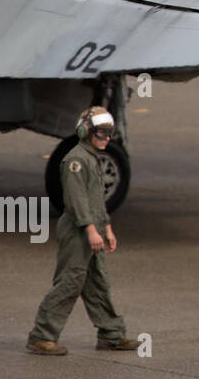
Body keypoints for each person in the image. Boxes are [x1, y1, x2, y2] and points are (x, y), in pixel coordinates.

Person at [27, 107, 140, 355]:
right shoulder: (76, 161)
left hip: (94, 228)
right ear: (86, 131)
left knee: (98, 282)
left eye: (109, 133)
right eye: (101, 132)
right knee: (69, 282)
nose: (106, 138)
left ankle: (111, 334)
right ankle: (41, 336)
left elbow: (97, 200)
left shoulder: (92, 158)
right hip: (78, 230)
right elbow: (77, 201)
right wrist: (91, 230)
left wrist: (107, 228)